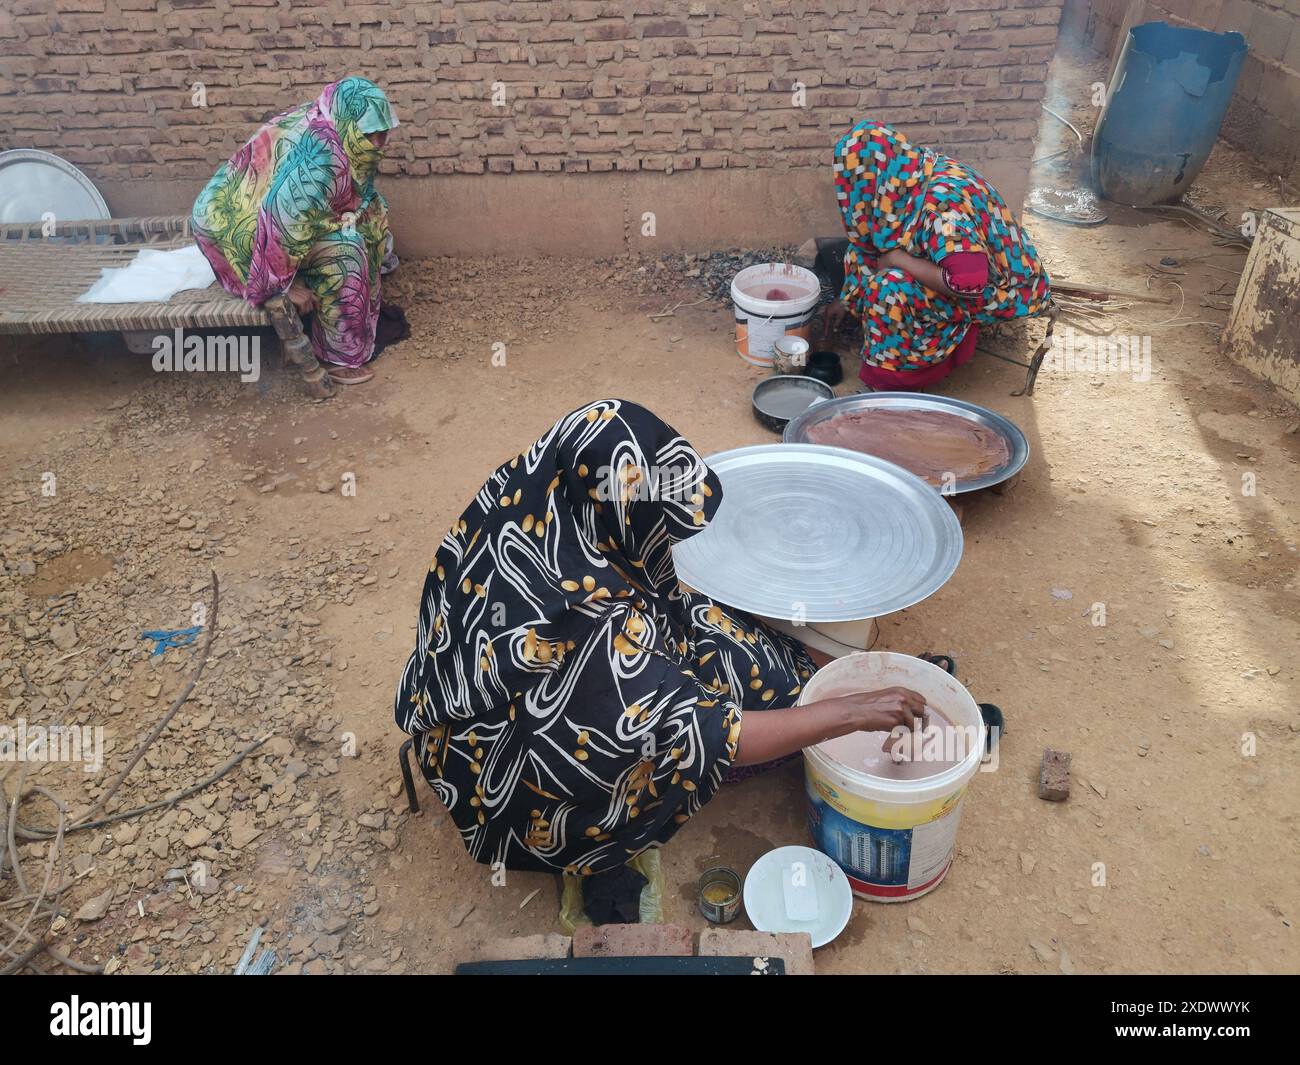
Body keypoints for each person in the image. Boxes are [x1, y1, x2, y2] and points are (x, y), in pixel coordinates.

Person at [393, 399, 928, 921]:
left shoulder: (530, 498)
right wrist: (852, 712)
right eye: (660, 524)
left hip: (463, 715)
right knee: (744, 736)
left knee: (734, 644)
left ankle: (788, 680)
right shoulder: (597, 630)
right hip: (516, 784)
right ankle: (589, 850)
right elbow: (713, 736)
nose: (668, 540)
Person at [191, 76, 397, 386]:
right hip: (230, 229)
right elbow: (280, 221)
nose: (380, 144)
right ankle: (336, 355)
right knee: (346, 249)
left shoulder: (331, 117)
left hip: (246, 210)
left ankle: (347, 287)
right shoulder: (323, 159)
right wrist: (282, 289)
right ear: (351, 124)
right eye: (371, 135)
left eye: (383, 133)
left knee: (369, 212)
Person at [823, 120, 1052, 391]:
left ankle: (894, 382)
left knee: (886, 289)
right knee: (866, 246)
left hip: (1000, 290)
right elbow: (867, 247)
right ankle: (897, 336)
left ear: (875, 179)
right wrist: (847, 298)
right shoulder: (909, 176)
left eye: (858, 185)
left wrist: (899, 260)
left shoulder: (941, 211)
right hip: (961, 264)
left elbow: (968, 284)